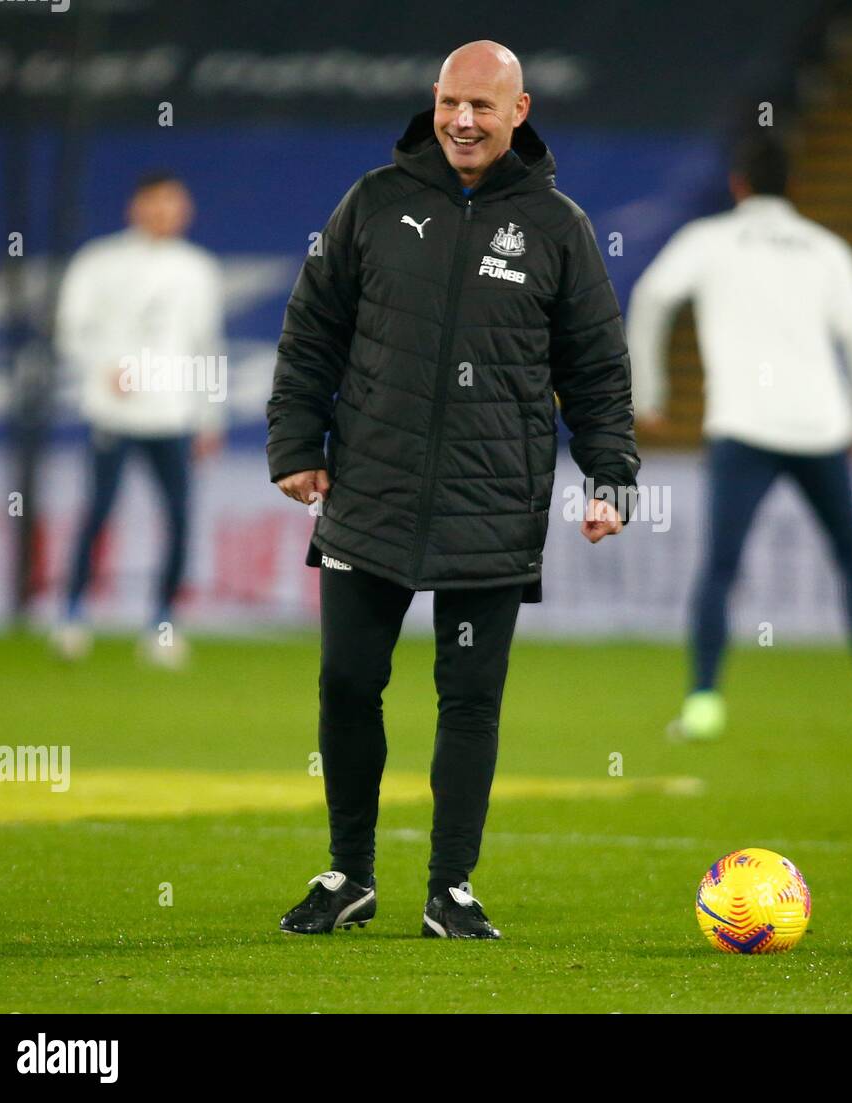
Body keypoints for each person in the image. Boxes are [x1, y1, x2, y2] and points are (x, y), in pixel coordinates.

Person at [268, 41, 639, 939]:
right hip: (372, 492)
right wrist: (294, 441)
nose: (462, 121)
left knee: (469, 699)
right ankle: (348, 872)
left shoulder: (558, 226)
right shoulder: (375, 202)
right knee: (348, 683)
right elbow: (311, 328)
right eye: (449, 103)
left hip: (492, 500)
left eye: (481, 105)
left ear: (519, 111)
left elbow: (596, 366)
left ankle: (451, 887)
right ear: (432, 103)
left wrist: (612, 475)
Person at [626, 134, 852, 740]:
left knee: (720, 567)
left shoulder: (708, 240)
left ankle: (704, 705)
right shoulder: (826, 248)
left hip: (743, 426)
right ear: (796, 188)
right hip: (821, 426)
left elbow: (651, 297)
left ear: (738, 186)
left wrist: (648, 393)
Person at [52, 172, 225, 668]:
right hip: (115, 412)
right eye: (156, 203)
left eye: (175, 204)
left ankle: (163, 625)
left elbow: (206, 346)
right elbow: (71, 330)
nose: (165, 213)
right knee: (99, 511)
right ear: (136, 207)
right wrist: (102, 371)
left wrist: (209, 417)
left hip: (173, 414)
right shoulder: (98, 262)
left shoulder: (199, 270)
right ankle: (70, 616)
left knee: (178, 517)